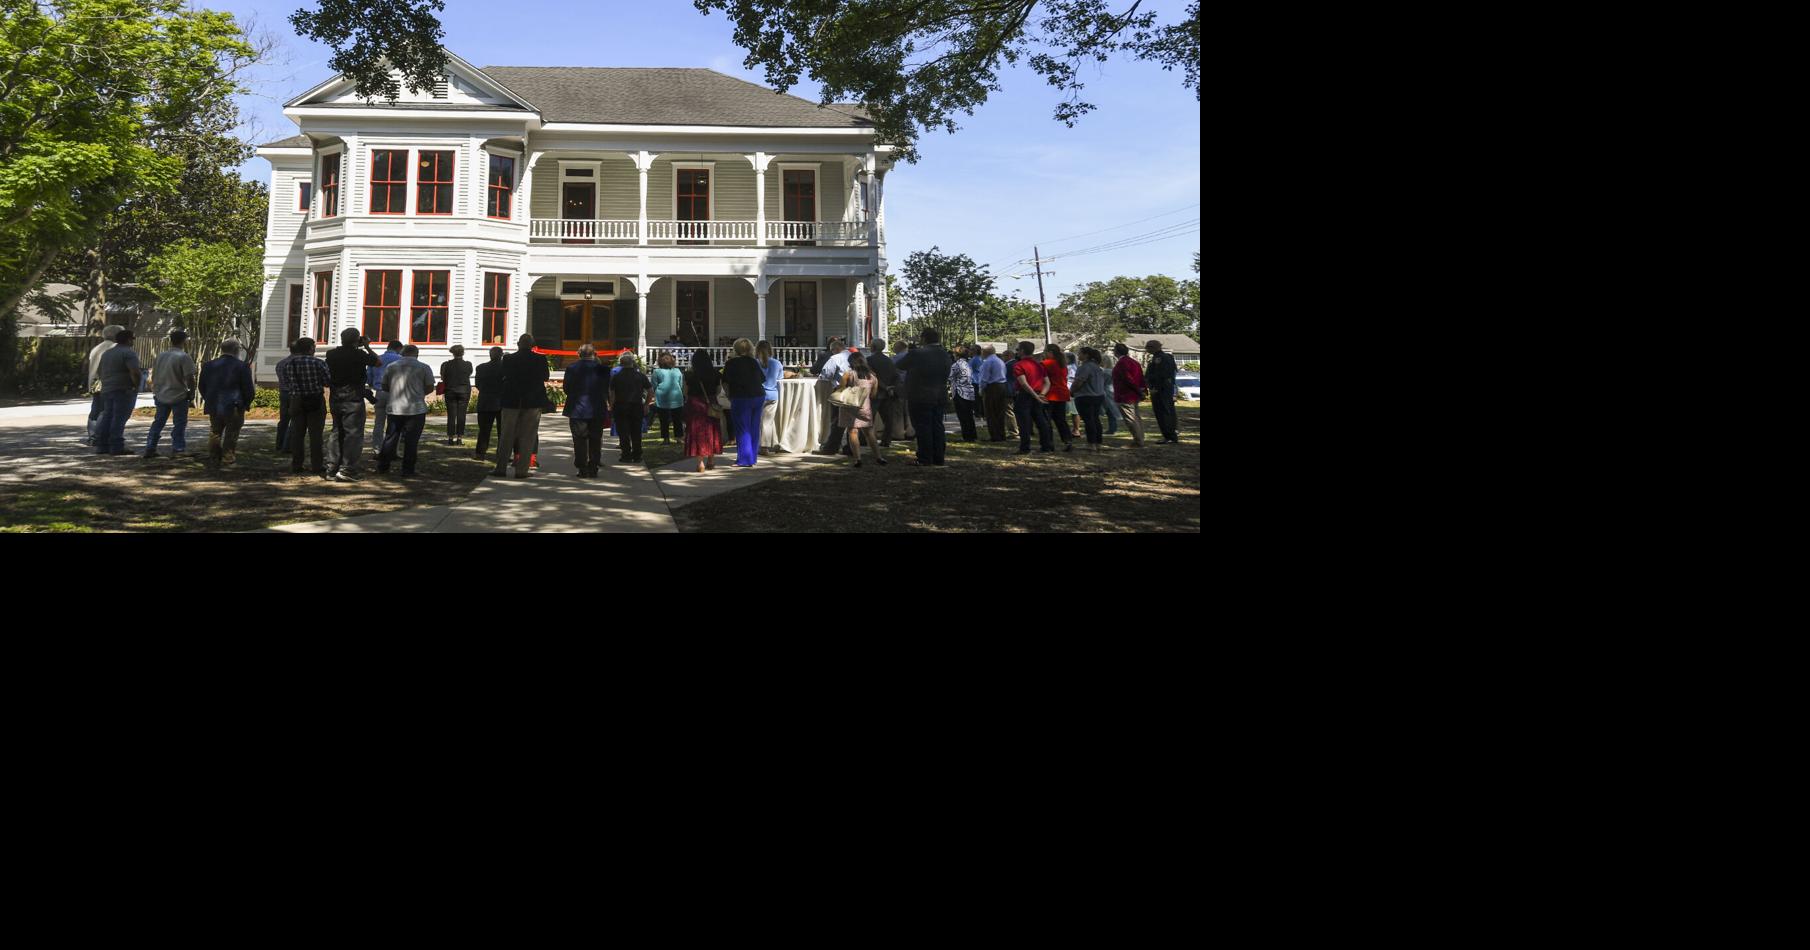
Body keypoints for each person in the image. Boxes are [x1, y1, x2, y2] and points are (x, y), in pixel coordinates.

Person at [324, 329, 381, 481]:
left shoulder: (331, 354)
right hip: (353, 397)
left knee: (336, 432)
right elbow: (378, 362)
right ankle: (347, 469)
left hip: (335, 396)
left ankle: (331, 467)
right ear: (357, 340)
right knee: (353, 434)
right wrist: (367, 347)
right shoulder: (359, 354)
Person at [895, 328, 953, 466]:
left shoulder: (917, 353)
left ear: (924, 339)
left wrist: (911, 352)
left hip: (920, 395)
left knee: (923, 427)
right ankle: (939, 457)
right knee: (938, 426)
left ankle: (925, 458)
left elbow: (900, 365)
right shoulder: (944, 354)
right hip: (939, 394)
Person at [495, 334, 549, 478]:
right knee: (528, 436)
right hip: (532, 401)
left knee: (506, 435)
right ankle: (521, 470)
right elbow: (545, 377)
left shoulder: (508, 358)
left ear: (518, 344)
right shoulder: (540, 359)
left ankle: (501, 468)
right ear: (532, 345)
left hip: (511, 400)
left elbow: (503, 375)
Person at [275, 337, 331, 475]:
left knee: (297, 434)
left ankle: (297, 464)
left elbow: (286, 382)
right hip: (315, 400)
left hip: (296, 400)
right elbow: (327, 381)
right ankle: (317, 465)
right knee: (316, 435)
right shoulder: (318, 363)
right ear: (311, 348)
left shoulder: (288, 364)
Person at [377, 345, 435, 475]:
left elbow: (385, 386)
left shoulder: (391, 366)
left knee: (390, 438)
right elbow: (430, 386)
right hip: (416, 408)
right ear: (417, 354)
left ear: (402, 353)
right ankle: (408, 469)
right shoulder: (424, 367)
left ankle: (383, 466)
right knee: (411, 441)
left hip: (395, 407)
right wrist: (419, 393)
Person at [199, 338, 255, 467]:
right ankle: (228, 458)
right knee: (232, 432)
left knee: (215, 432)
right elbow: (248, 388)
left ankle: (214, 457)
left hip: (215, 404)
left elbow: (202, 386)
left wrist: (209, 399)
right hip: (234, 405)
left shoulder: (208, 365)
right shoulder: (242, 366)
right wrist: (246, 403)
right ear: (236, 350)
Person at [144, 330, 196, 459]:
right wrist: (192, 392)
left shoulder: (161, 356)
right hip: (178, 393)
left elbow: (153, 374)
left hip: (161, 393)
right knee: (179, 423)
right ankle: (178, 448)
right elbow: (190, 377)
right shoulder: (184, 357)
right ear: (184, 341)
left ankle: (150, 447)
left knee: (158, 422)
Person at [93, 328, 142, 455]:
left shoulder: (107, 353)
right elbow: (135, 372)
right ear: (128, 340)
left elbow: (99, 371)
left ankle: (102, 445)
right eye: (132, 339)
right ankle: (116, 446)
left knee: (107, 416)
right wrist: (136, 386)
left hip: (107, 388)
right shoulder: (129, 353)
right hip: (123, 389)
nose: (133, 342)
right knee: (119, 417)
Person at [833, 351, 886, 467]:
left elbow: (841, 388)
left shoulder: (849, 374)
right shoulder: (872, 377)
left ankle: (857, 459)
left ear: (851, 363)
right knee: (870, 433)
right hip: (865, 407)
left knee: (853, 431)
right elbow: (873, 395)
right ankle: (879, 457)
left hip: (850, 406)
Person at [561, 343, 607, 477]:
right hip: (596, 407)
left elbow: (566, 389)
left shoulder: (572, 368)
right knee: (596, 439)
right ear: (595, 354)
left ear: (579, 354)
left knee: (579, 440)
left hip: (577, 408)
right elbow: (606, 388)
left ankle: (582, 467)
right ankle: (593, 466)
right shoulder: (602, 369)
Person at [721, 338, 764, 467]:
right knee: (754, 427)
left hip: (740, 397)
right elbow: (762, 379)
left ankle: (745, 459)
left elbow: (725, 382)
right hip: (758, 396)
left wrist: (729, 395)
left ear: (736, 349)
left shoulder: (731, 363)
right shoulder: (754, 362)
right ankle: (752, 457)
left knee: (742, 428)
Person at [815, 337, 858, 455]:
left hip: (842, 390)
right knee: (851, 421)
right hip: (857, 391)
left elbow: (826, 375)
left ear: (837, 348)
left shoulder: (835, 358)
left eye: (832, 350)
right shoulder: (855, 356)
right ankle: (850, 448)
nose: (832, 352)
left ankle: (831, 447)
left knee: (837, 421)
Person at [1010, 340, 1055, 454]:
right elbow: (1047, 382)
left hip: (1026, 395)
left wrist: (1036, 396)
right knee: (1041, 421)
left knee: (1024, 423)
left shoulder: (1019, 365)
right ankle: (1046, 446)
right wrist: (1041, 395)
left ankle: (1025, 448)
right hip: (1038, 394)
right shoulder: (1039, 365)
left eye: (1018, 349)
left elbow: (1024, 384)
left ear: (1023, 351)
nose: (1017, 352)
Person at [683, 349, 723, 472]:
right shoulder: (716, 374)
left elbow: (685, 391)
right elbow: (718, 390)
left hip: (694, 404)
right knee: (712, 431)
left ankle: (700, 463)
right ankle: (711, 460)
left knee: (697, 432)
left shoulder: (689, 375)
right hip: (711, 404)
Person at [610, 351, 653, 464]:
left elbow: (612, 393)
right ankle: (637, 455)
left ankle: (626, 455)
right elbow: (650, 390)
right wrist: (647, 404)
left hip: (621, 406)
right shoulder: (640, 376)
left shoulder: (616, 376)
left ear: (621, 363)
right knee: (636, 431)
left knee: (623, 431)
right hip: (636, 406)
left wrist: (611, 405)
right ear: (633, 363)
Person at [83, 324, 123, 446]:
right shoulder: (115, 348)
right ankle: (101, 436)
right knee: (106, 411)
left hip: (95, 382)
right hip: (108, 383)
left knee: (95, 410)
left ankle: (92, 436)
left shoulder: (97, 348)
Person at [367, 340, 403, 459]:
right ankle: (393, 450)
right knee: (395, 423)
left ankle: (377, 449)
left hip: (380, 392)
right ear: (398, 348)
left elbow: (369, 377)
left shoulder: (377, 358)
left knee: (379, 423)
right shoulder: (400, 359)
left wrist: (373, 385)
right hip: (395, 393)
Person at [1072, 347, 1110, 452]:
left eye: (1080, 353)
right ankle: (1098, 442)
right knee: (1095, 419)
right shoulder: (1097, 367)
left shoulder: (1085, 367)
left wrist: (1072, 390)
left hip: (1086, 396)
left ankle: (1091, 443)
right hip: (1098, 395)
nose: (1078, 355)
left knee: (1089, 420)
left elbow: (1079, 381)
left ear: (1086, 355)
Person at [1041, 343, 1075, 452]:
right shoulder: (1062, 364)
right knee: (1061, 420)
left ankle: (1048, 443)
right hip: (1062, 393)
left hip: (1050, 394)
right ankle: (1067, 440)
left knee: (1046, 420)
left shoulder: (1045, 363)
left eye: (1045, 351)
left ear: (1050, 353)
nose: (1044, 353)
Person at [1145, 339, 1181, 444]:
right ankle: (1170, 435)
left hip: (1161, 389)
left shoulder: (1161, 358)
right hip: (1164, 389)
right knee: (1166, 411)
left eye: (1148, 347)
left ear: (1155, 347)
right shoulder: (1160, 358)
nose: (1146, 349)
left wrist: (1152, 383)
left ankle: (1169, 435)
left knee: (1163, 413)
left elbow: (1162, 375)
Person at [1111, 343, 1147, 448]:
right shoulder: (1134, 362)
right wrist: (1142, 391)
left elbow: (1128, 379)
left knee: (1130, 419)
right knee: (1136, 418)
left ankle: (1138, 441)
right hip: (1134, 394)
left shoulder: (1122, 363)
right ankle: (1140, 438)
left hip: (1125, 394)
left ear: (1116, 351)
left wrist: (1139, 391)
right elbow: (1141, 378)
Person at [473, 346, 505, 461]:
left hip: (485, 401)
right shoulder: (505, 368)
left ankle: (480, 453)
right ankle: (502, 454)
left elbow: (478, 384)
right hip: (502, 402)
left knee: (484, 430)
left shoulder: (481, 368)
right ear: (501, 355)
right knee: (502, 431)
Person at [975, 344, 1010, 442]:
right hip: (1002, 386)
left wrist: (981, 390)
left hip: (992, 387)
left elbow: (984, 378)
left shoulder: (987, 362)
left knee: (991, 412)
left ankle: (995, 436)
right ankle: (1001, 434)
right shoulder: (1000, 361)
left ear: (985, 352)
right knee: (1000, 412)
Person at [440, 345, 473, 445]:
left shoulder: (446, 364)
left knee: (451, 415)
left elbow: (443, 377)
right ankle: (459, 438)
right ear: (463, 353)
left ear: (452, 353)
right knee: (461, 415)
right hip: (464, 391)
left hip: (450, 390)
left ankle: (450, 437)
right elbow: (469, 373)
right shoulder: (468, 364)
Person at [652, 350, 686, 444]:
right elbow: (681, 384)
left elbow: (654, 385)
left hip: (662, 398)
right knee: (677, 419)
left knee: (664, 420)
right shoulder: (677, 371)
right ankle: (679, 437)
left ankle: (666, 439)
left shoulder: (656, 372)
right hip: (677, 397)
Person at [947, 343, 978, 442]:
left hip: (960, 392)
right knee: (969, 415)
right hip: (969, 391)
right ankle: (972, 435)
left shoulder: (956, 364)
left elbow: (949, 377)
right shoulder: (967, 363)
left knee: (963, 415)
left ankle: (967, 436)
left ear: (957, 354)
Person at [757, 339, 783, 455]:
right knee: (768, 422)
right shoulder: (777, 363)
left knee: (758, 421)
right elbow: (780, 379)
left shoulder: (755, 362)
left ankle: (759, 445)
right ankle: (766, 446)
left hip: (758, 394)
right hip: (772, 394)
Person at [1065, 352, 1081, 437]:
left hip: (1070, 391)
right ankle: (1075, 429)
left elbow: (1071, 379)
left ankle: (1076, 430)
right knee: (1074, 411)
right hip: (1069, 390)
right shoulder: (1073, 367)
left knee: (1074, 411)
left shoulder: (1071, 368)